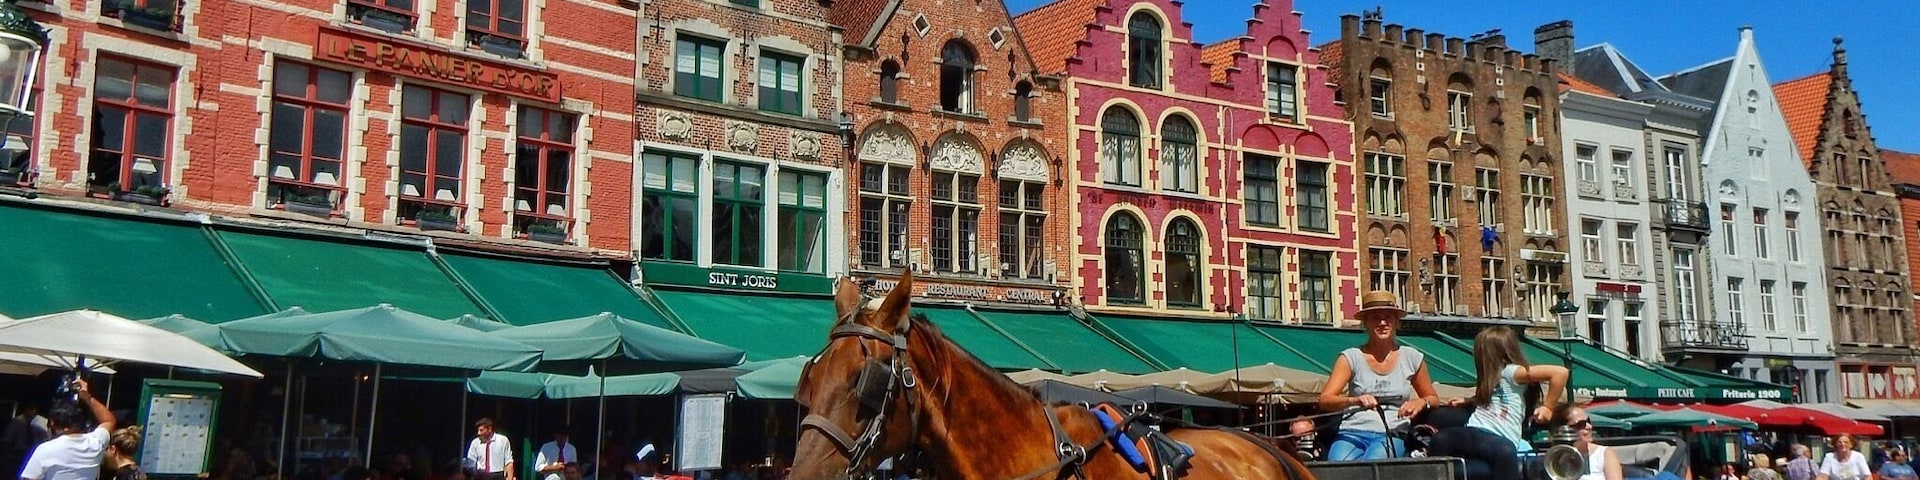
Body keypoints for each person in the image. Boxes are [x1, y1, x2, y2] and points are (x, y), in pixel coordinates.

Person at [1425, 327, 1569, 480]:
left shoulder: (1512, 372)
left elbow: (1560, 373)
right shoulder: (1490, 377)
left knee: (1503, 452)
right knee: (1440, 438)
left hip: (1499, 437)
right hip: (1476, 428)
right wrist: (1469, 401)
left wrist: (1548, 406)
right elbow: (1495, 397)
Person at [1317, 290, 1442, 461]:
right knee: (1337, 465)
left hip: (1392, 432)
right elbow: (1325, 400)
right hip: (1352, 431)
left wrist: (1420, 401)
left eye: (1388, 317)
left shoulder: (1412, 357)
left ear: (1396, 322)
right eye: (1375, 318)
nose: (1382, 323)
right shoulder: (1350, 357)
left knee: (1374, 465)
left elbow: (1433, 397)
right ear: (1366, 323)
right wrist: (1354, 400)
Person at [20, 378, 116, 480]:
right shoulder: (95, 443)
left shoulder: (46, 449)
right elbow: (109, 420)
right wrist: (87, 397)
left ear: (53, 423)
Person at [1556, 406, 1622, 480]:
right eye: (1581, 424)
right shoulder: (1555, 458)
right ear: (1564, 429)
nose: (1589, 426)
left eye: (1588, 421)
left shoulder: (1604, 454)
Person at [3, 405, 50, 478]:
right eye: (30, 410)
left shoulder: (41, 422)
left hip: (34, 452)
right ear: (25, 410)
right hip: (19, 453)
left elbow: (46, 437)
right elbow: (8, 439)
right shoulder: (17, 422)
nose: (32, 413)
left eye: (34, 410)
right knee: (16, 473)